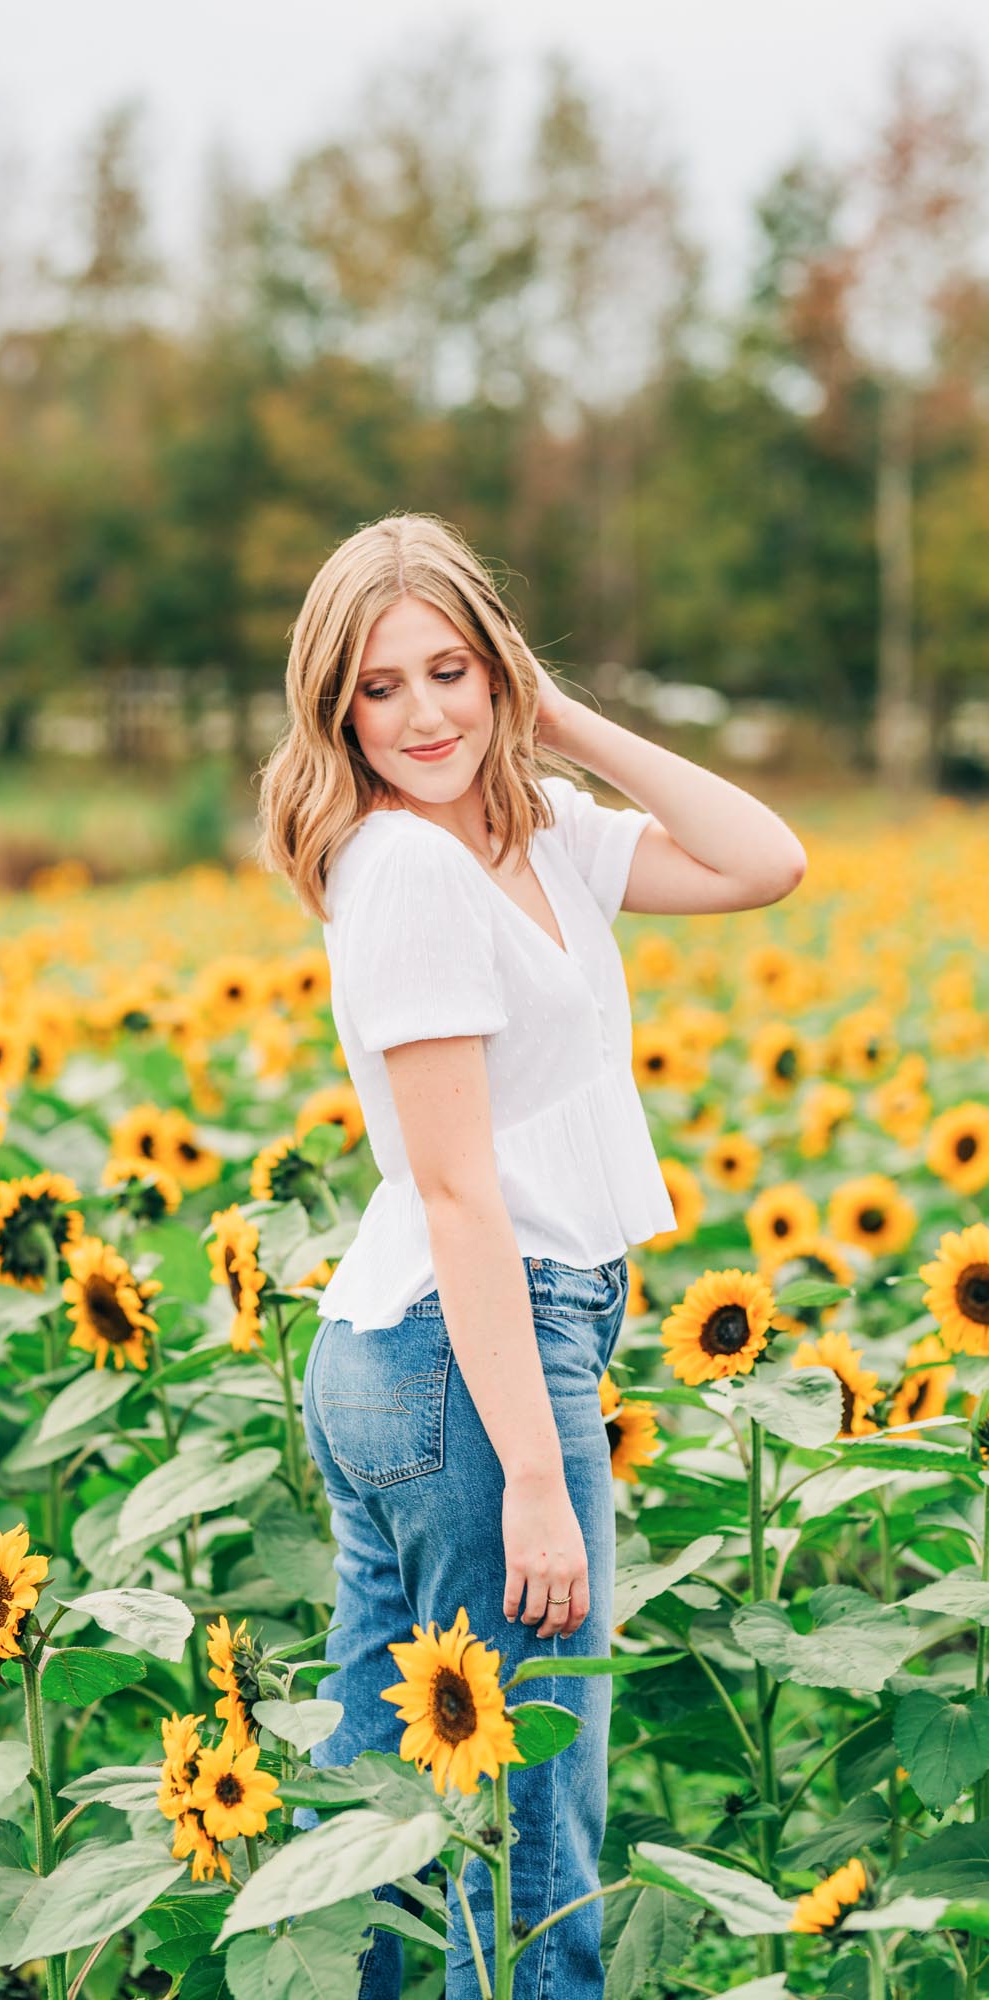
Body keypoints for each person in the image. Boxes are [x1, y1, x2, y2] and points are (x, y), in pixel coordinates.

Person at [254, 512, 807, 1998]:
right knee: (528, 1837)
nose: (425, 714)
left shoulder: (531, 834)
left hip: (417, 1362)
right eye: (382, 688)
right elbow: (456, 1194)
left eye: (454, 669)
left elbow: (767, 862)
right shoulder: (411, 874)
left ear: (498, 667)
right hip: (473, 1365)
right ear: (335, 708)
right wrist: (543, 1481)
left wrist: (556, 714)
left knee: (388, 1825)